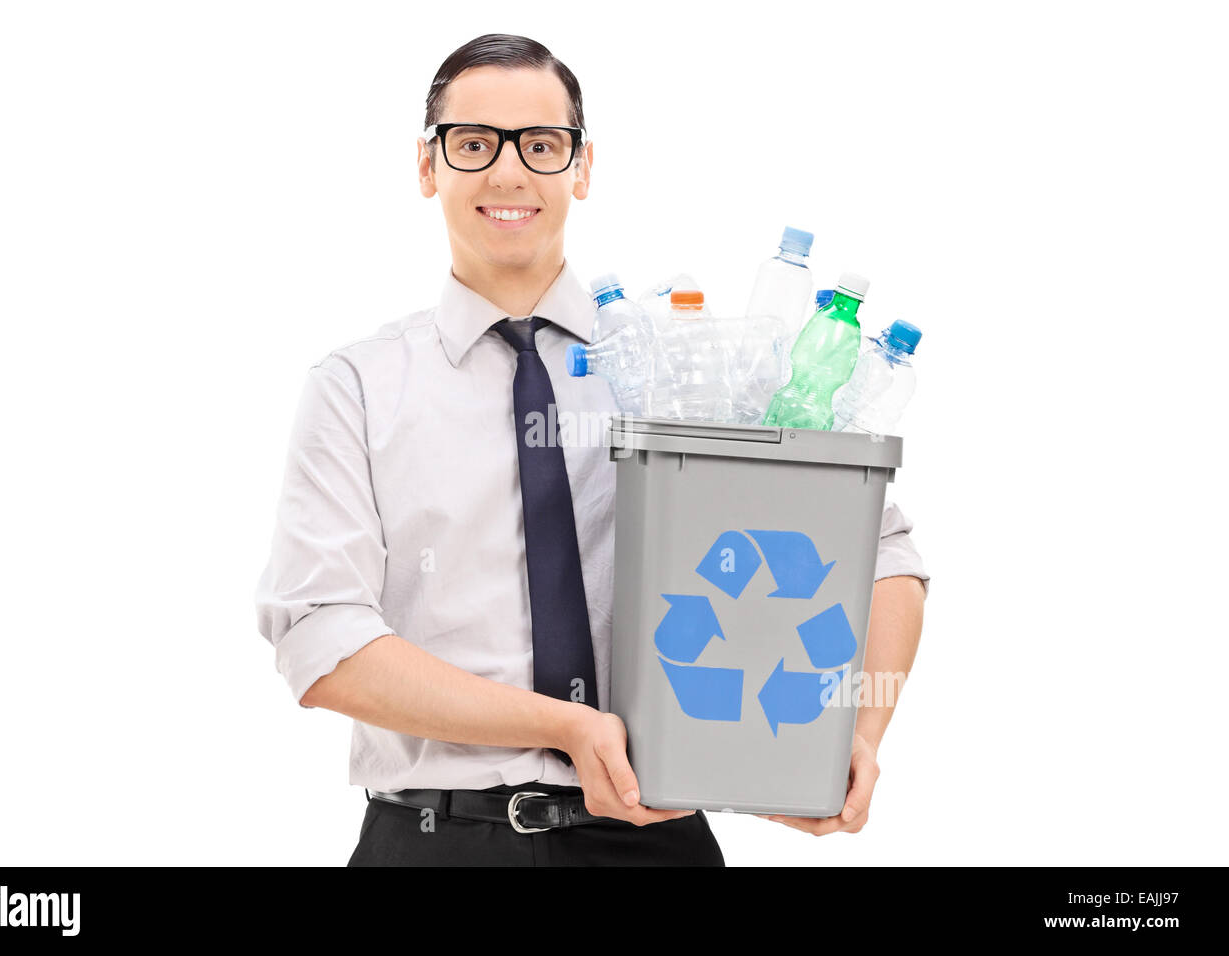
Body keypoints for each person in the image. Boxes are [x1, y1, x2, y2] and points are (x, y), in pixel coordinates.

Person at [254, 33, 929, 867]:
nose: (509, 174)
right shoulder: (357, 387)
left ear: (582, 167)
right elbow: (321, 641)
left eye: (541, 145)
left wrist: (856, 736)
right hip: (434, 843)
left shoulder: (686, 368)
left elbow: (879, 551)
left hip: (654, 844)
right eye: (474, 145)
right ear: (428, 168)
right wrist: (561, 728)